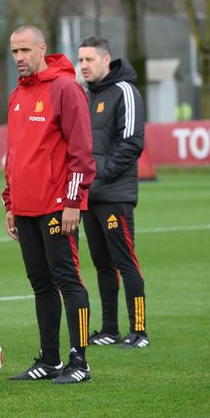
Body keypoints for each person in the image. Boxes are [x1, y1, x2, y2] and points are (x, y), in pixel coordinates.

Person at [3, 25, 96, 385]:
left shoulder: (65, 89)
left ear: (42, 48)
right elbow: (14, 155)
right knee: (40, 284)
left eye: (25, 50)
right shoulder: (16, 95)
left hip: (59, 206)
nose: (19, 58)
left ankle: (80, 361)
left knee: (68, 281)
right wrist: (10, 202)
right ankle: (50, 359)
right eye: (14, 52)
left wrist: (73, 202)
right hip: (25, 208)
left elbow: (81, 154)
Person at [78, 36, 149, 349]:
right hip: (89, 196)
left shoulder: (125, 91)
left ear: (106, 60)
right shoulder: (86, 96)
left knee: (125, 261)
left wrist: (100, 175)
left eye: (89, 60)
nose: (84, 66)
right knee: (102, 265)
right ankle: (109, 329)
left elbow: (132, 142)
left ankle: (139, 331)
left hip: (114, 195)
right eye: (80, 60)